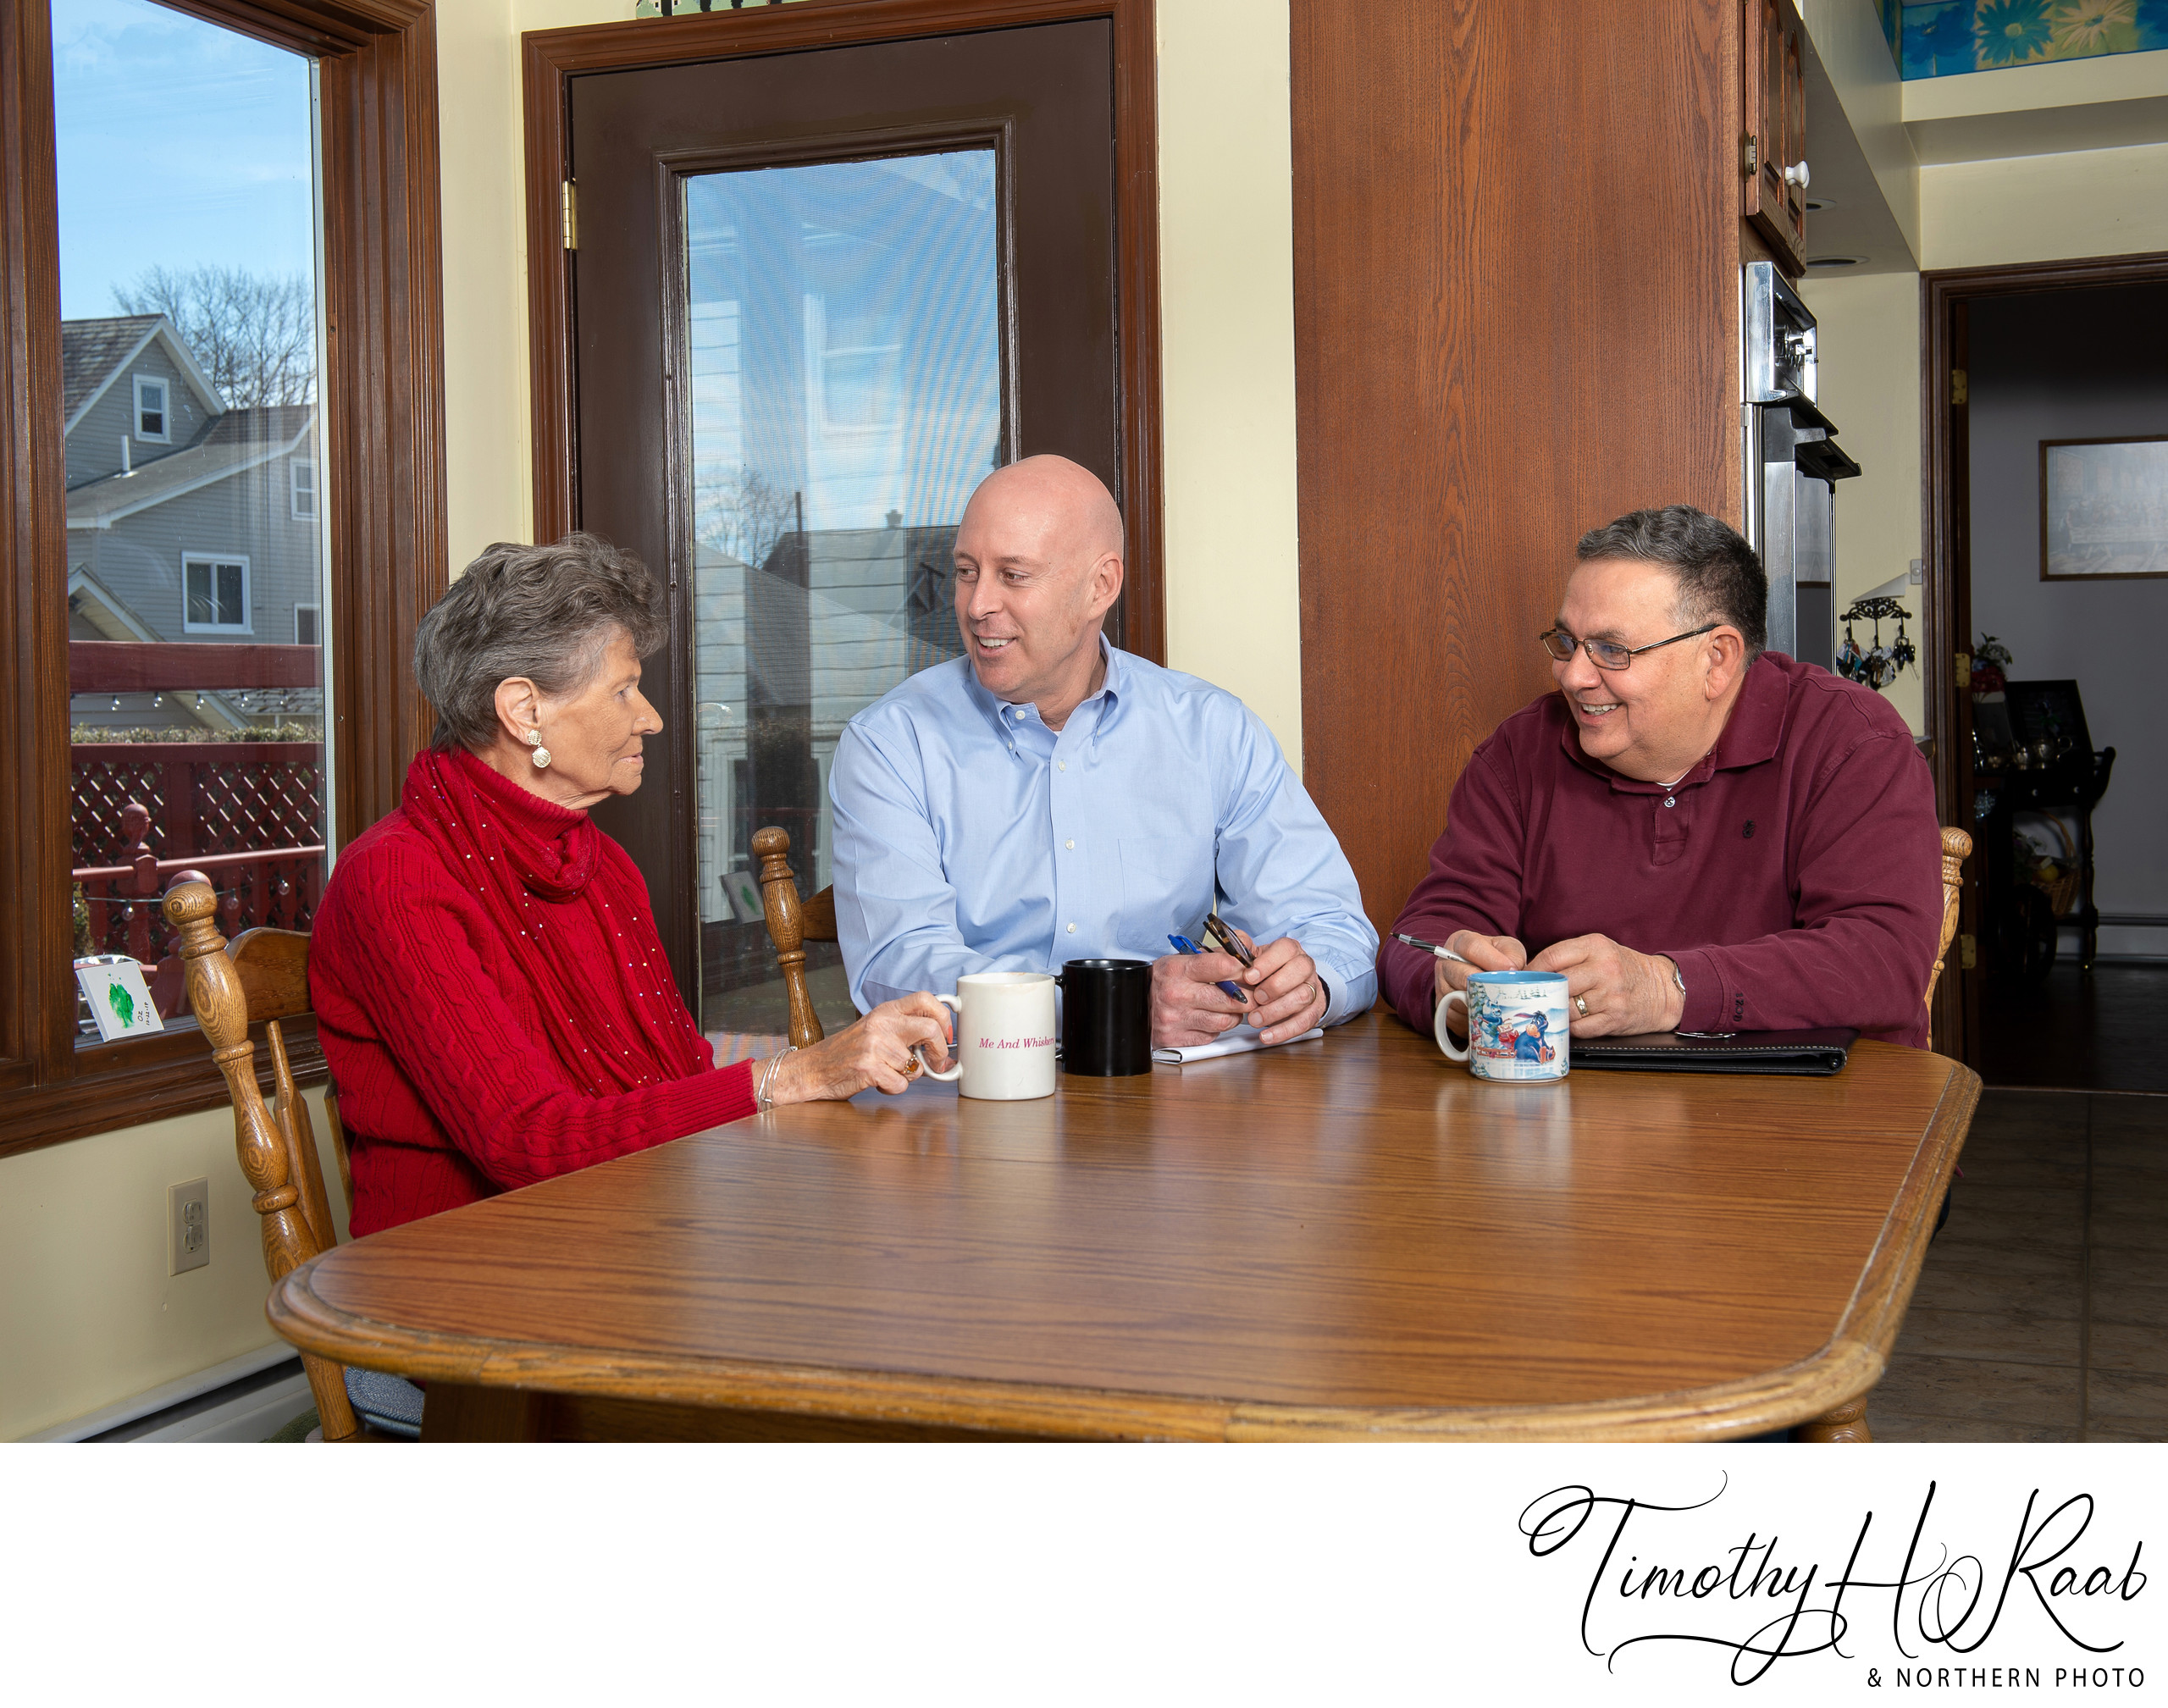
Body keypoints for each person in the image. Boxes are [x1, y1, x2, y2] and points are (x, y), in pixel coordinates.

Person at [311, 534, 952, 1238]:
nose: (650, 716)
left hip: (631, 1232)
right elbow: (526, 1141)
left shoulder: (602, 863)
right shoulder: (397, 880)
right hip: (458, 1278)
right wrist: (793, 1074)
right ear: (525, 711)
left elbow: (678, 1076)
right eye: (623, 689)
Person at [830, 455, 1377, 1047]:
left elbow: (1331, 925)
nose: (976, 603)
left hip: (1176, 1114)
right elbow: (899, 971)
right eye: (966, 571)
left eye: (1013, 575)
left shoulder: (1212, 730)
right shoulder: (889, 744)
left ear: (1101, 586)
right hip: (971, 1113)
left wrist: (1309, 985)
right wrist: (1113, 1010)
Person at [1379, 504, 1943, 1050]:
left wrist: (1670, 988)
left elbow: (1883, 959)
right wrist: (1444, 974)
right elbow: (1416, 938)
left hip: (1821, 1121)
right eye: (1567, 643)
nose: (1574, 676)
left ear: (1718, 660)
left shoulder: (1850, 741)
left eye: (1611, 649)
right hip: (1587, 1129)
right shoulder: (1516, 756)